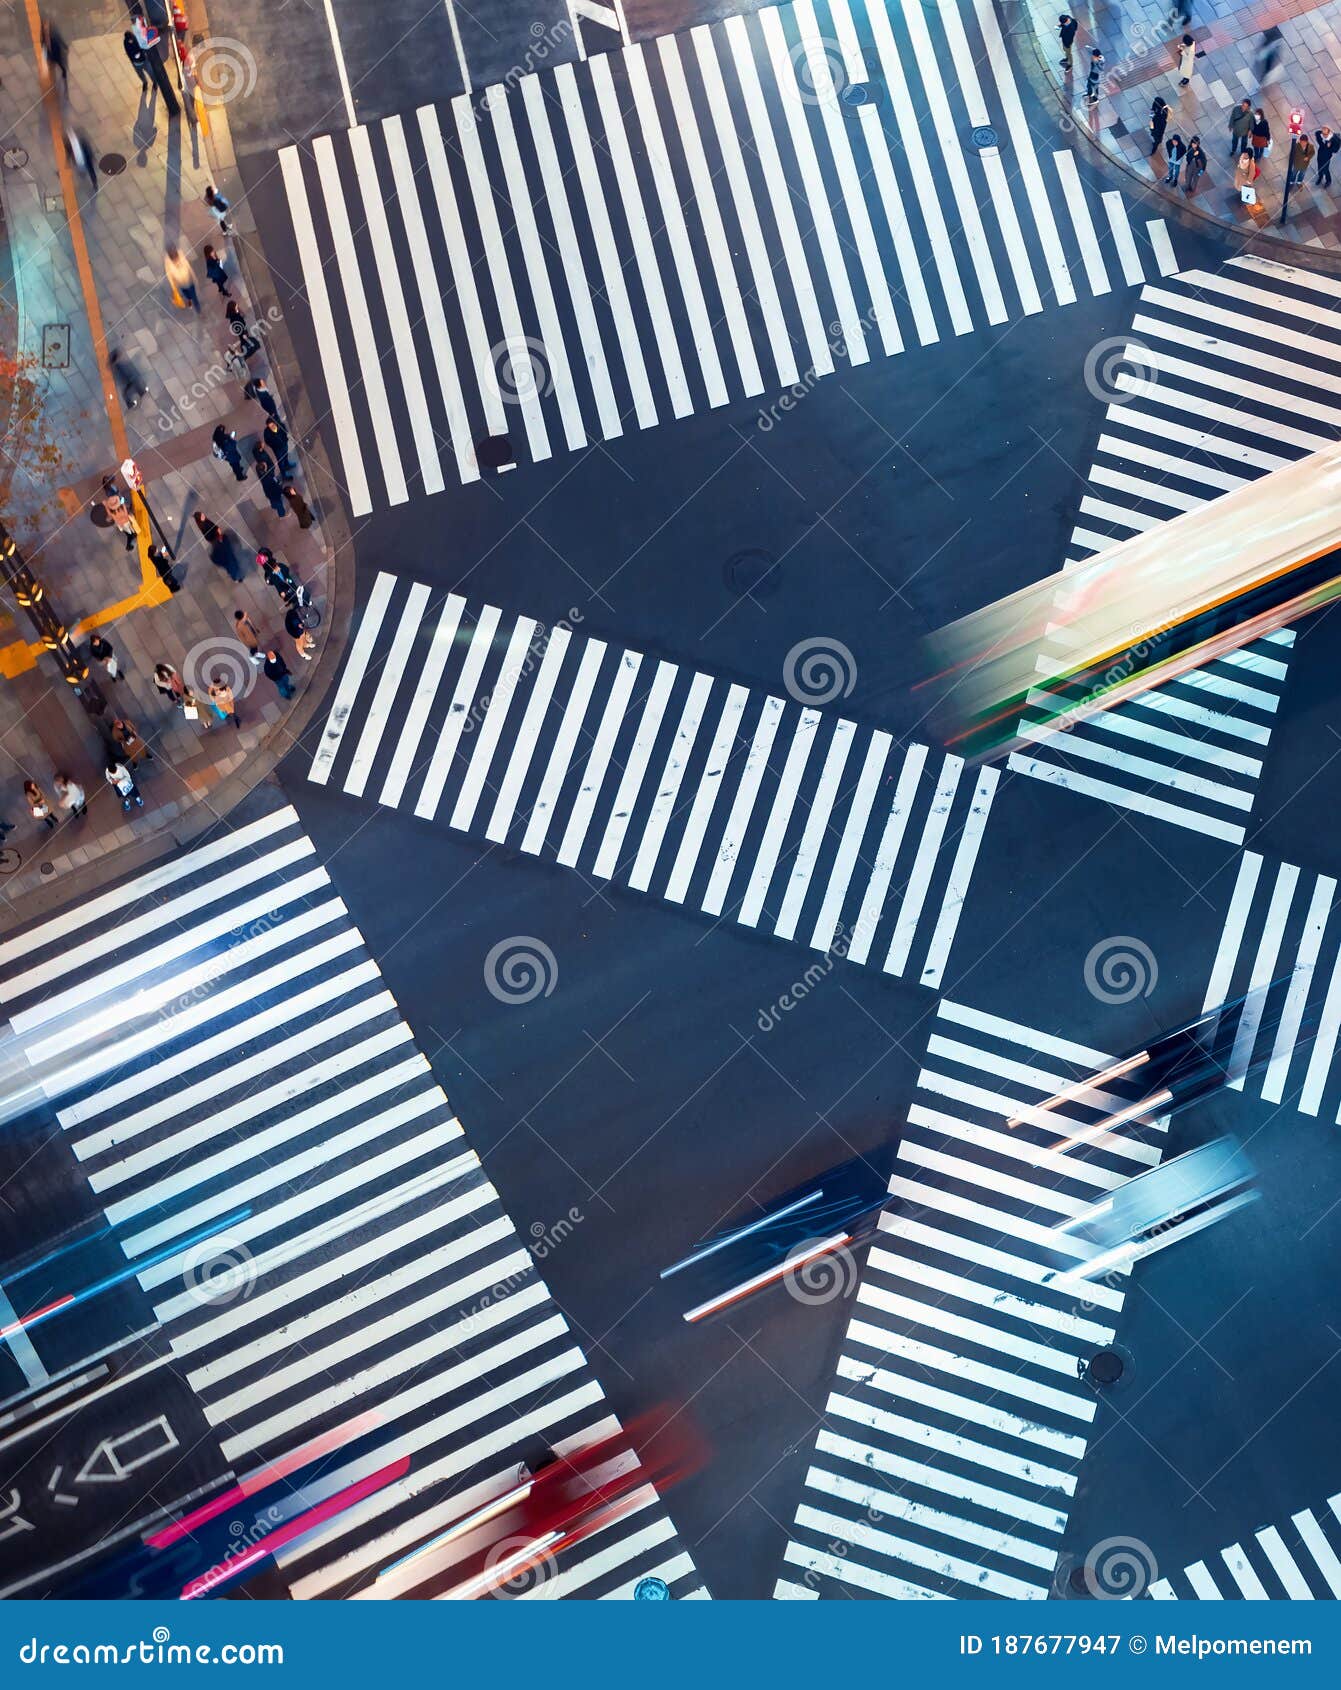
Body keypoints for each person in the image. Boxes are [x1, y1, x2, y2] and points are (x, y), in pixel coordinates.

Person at [253, 445, 287, 516]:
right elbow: (276, 486)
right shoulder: (269, 478)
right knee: (279, 504)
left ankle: (274, 505)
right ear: (264, 469)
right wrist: (280, 487)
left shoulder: (261, 474)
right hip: (274, 494)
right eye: (265, 465)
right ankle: (282, 514)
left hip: (269, 493)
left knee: (274, 501)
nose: (265, 464)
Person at [165, 245, 200, 312]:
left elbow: (189, 267)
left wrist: (194, 277)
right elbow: (169, 276)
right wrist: (173, 287)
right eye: (175, 260)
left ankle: (199, 311)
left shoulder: (181, 257)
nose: (176, 260)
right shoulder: (169, 264)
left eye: (177, 258)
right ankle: (189, 299)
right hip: (181, 284)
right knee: (186, 294)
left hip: (189, 282)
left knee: (194, 297)